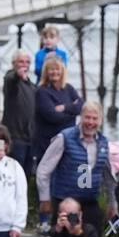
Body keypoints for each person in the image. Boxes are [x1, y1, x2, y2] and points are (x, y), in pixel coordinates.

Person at [37, 100, 113, 236]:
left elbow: (109, 176)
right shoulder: (64, 137)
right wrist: (45, 199)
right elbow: (43, 169)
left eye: (95, 118)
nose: (90, 122)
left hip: (90, 201)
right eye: (87, 117)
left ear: (100, 121)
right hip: (65, 202)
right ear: (81, 117)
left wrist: (113, 203)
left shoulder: (104, 142)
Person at [32, 57, 83, 206]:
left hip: (68, 143)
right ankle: (45, 217)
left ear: (62, 71)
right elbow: (51, 116)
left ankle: (64, 211)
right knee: (48, 179)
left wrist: (64, 108)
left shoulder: (69, 88)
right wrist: (71, 111)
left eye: (57, 69)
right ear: (46, 72)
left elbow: (81, 105)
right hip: (48, 142)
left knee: (66, 178)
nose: (54, 72)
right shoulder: (42, 91)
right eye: (51, 69)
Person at [2, 50, 37, 177]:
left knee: (25, 177)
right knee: (13, 176)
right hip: (15, 139)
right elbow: (11, 79)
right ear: (13, 63)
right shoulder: (11, 79)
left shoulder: (32, 86)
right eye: (21, 61)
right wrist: (17, 74)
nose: (24, 65)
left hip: (30, 139)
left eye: (27, 62)